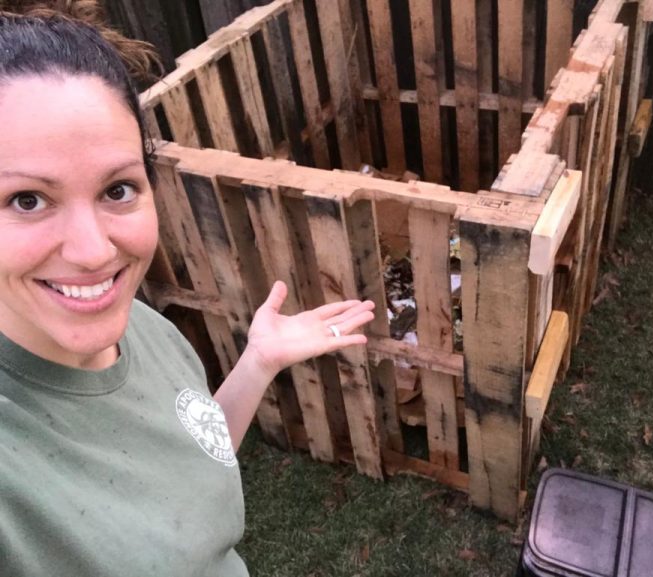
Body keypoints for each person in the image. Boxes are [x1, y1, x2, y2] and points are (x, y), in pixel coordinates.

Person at [0, 3, 375, 576]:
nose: (95, 250)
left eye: (118, 189)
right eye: (27, 200)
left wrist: (257, 362)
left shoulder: (144, 327)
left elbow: (193, 452)